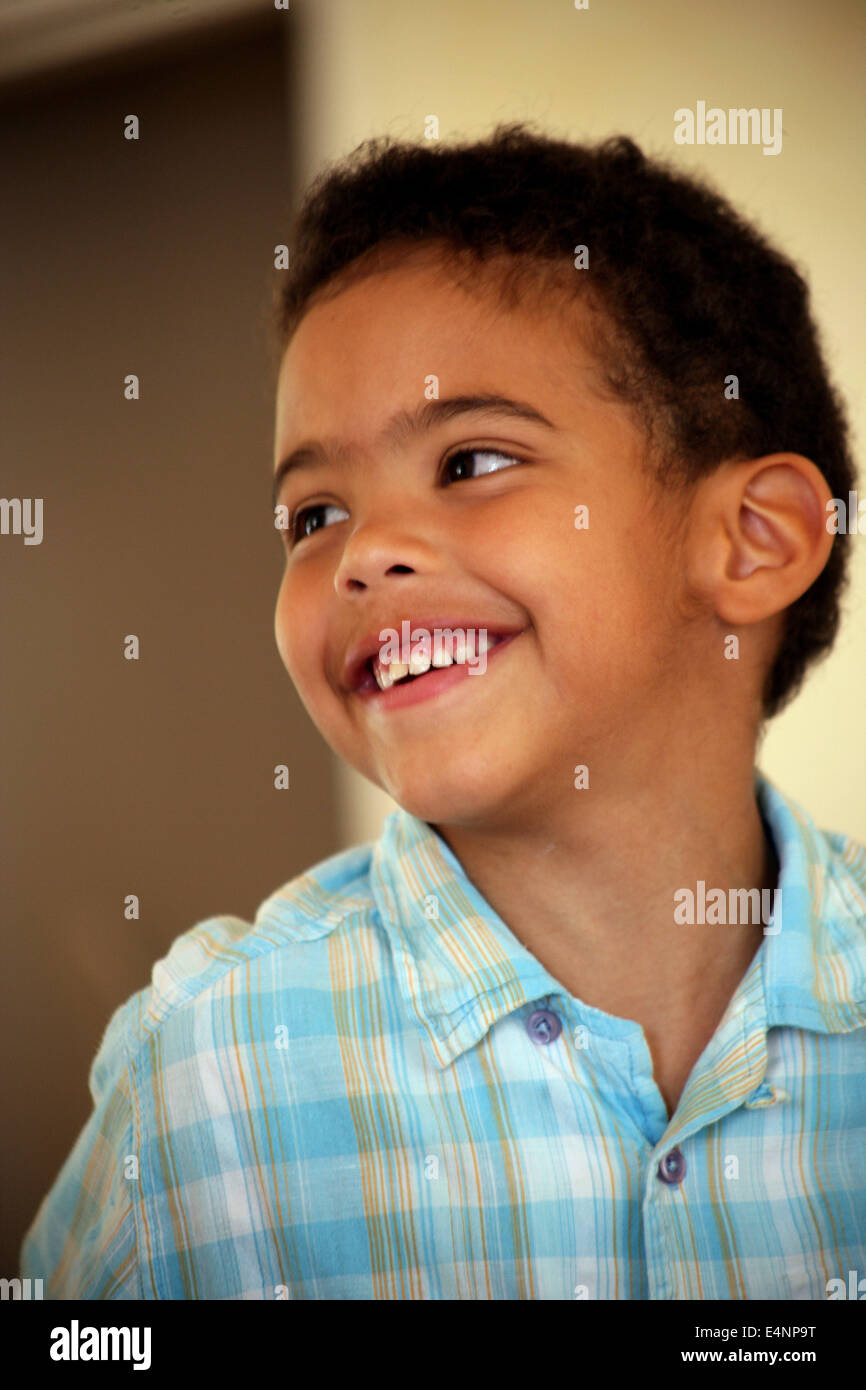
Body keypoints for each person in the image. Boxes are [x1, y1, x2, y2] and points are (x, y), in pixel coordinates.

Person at [21, 125, 866, 1300]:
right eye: (313, 515)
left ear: (752, 539)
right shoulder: (210, 1074)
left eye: (470, 462)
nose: (365, 555)